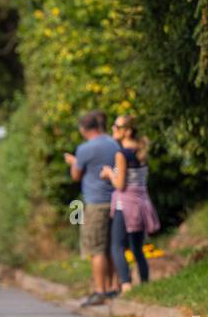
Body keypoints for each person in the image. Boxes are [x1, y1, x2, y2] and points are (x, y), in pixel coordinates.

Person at [63, 109, 120, 306]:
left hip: (96, 203)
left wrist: (74, 163)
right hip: (115, 200)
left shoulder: (85, 149)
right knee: (112, 246)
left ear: (83, 129)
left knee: (96, 249)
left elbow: (76, 176)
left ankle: (100, 291)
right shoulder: (113, 143)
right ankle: (114, 287)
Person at [104, 114, 160, 293]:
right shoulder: (141, 149)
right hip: (141, 203)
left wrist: (108, 174)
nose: (113, 129)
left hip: (125, 204)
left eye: (117, 126)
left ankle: (126, 285)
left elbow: (120, 184)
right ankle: (144, 285)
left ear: (127, 132)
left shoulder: (121, 154)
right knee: (137, 248)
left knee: (116, 245)